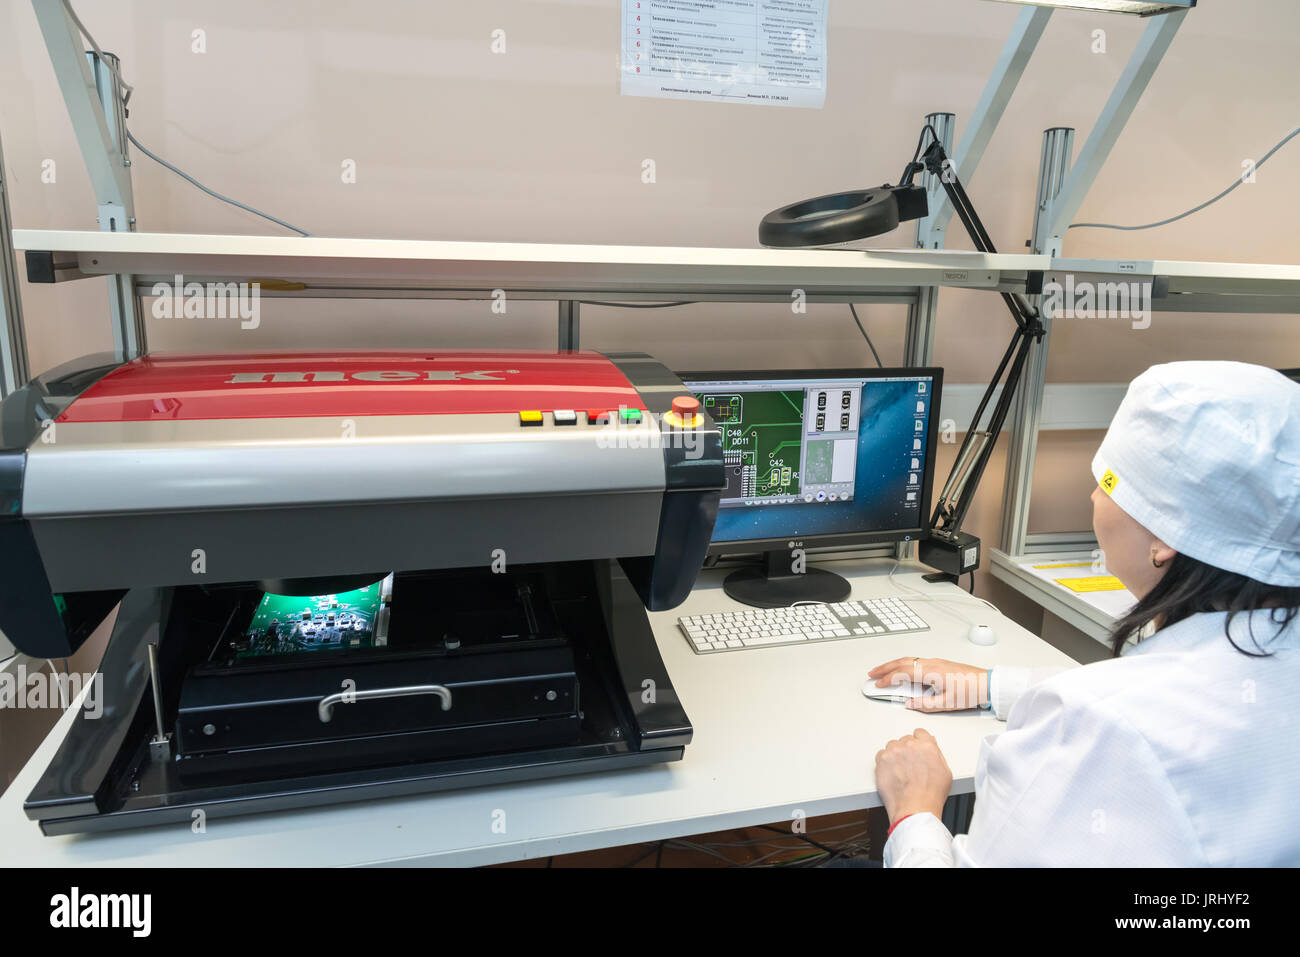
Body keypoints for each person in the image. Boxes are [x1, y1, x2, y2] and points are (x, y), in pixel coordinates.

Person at [869, 361, 1300, 866]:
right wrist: (987, 685)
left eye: (1110, 481)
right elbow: (1183, 693)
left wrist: (914, 813)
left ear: (1164, 539)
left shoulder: (1103, 725)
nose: (1095, 494)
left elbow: (1123, 714)